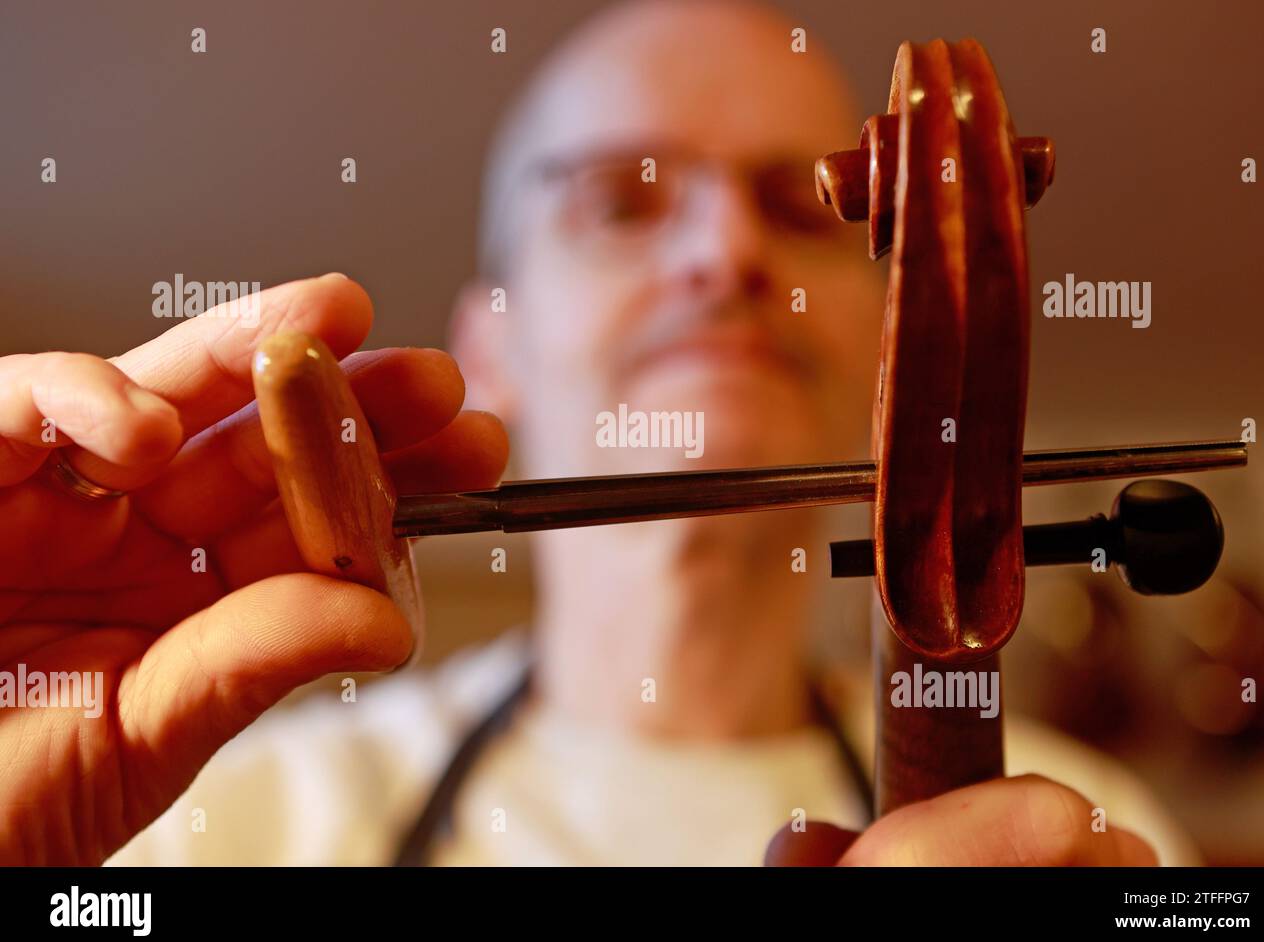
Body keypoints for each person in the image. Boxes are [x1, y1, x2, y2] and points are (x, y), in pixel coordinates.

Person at [0, 0, 1193, 867]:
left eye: (797, 206)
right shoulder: (239, 823)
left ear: (887, 327)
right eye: (622, 201)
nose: (725, 254)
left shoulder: (1083, 818)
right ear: (495, 339)